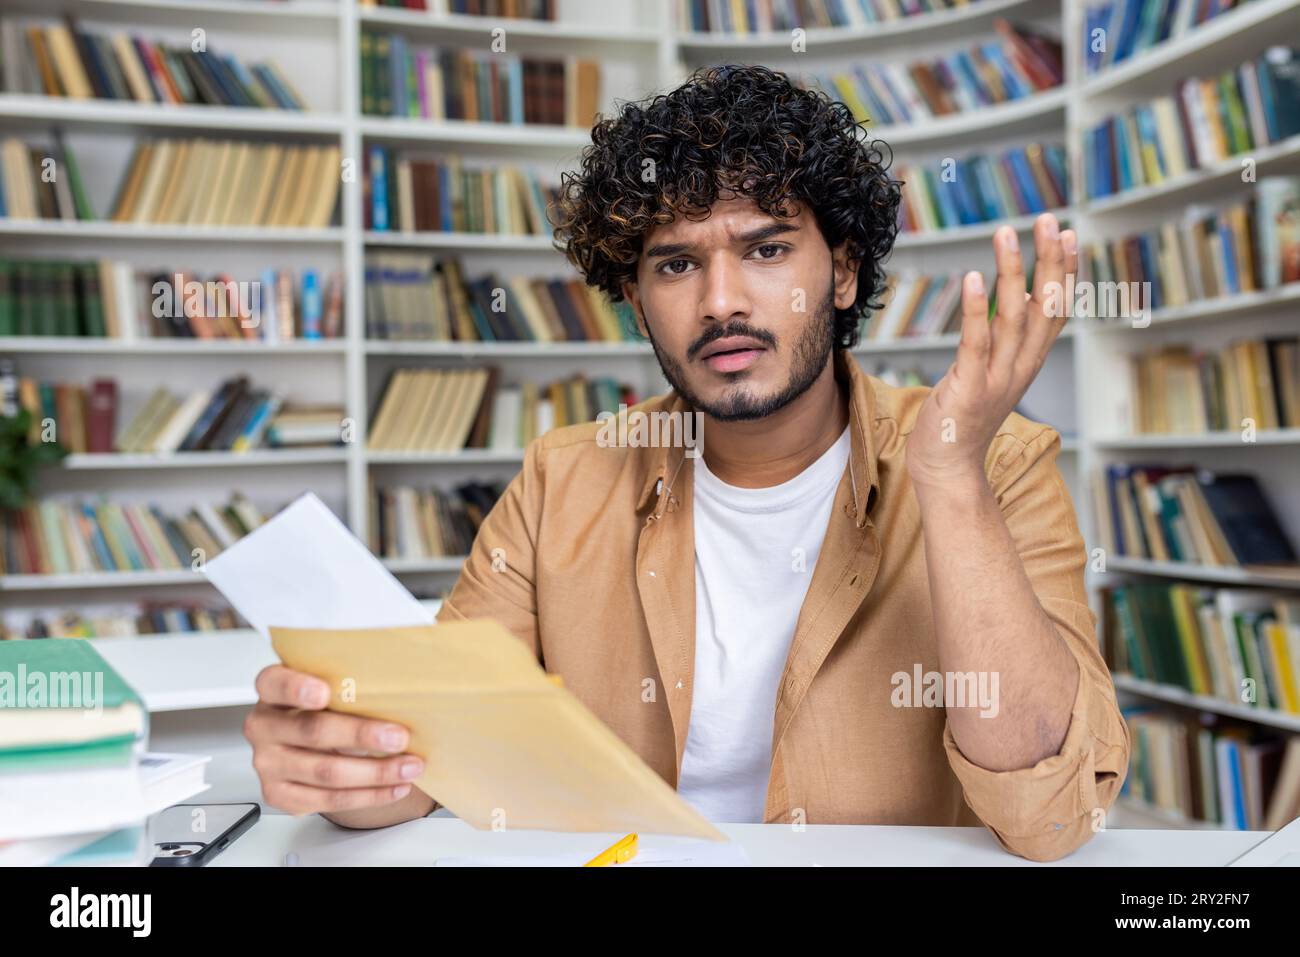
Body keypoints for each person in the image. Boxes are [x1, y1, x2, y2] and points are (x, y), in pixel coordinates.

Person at [244, 64, 1129, 862]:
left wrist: (949, 477)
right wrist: (341, 770)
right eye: (675, 265)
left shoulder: (991, 464)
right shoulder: (562, 478)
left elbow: (1044, 816)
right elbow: (432, 759)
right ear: (635, 301)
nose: (721, 302)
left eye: (768, 249)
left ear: (845, 271)